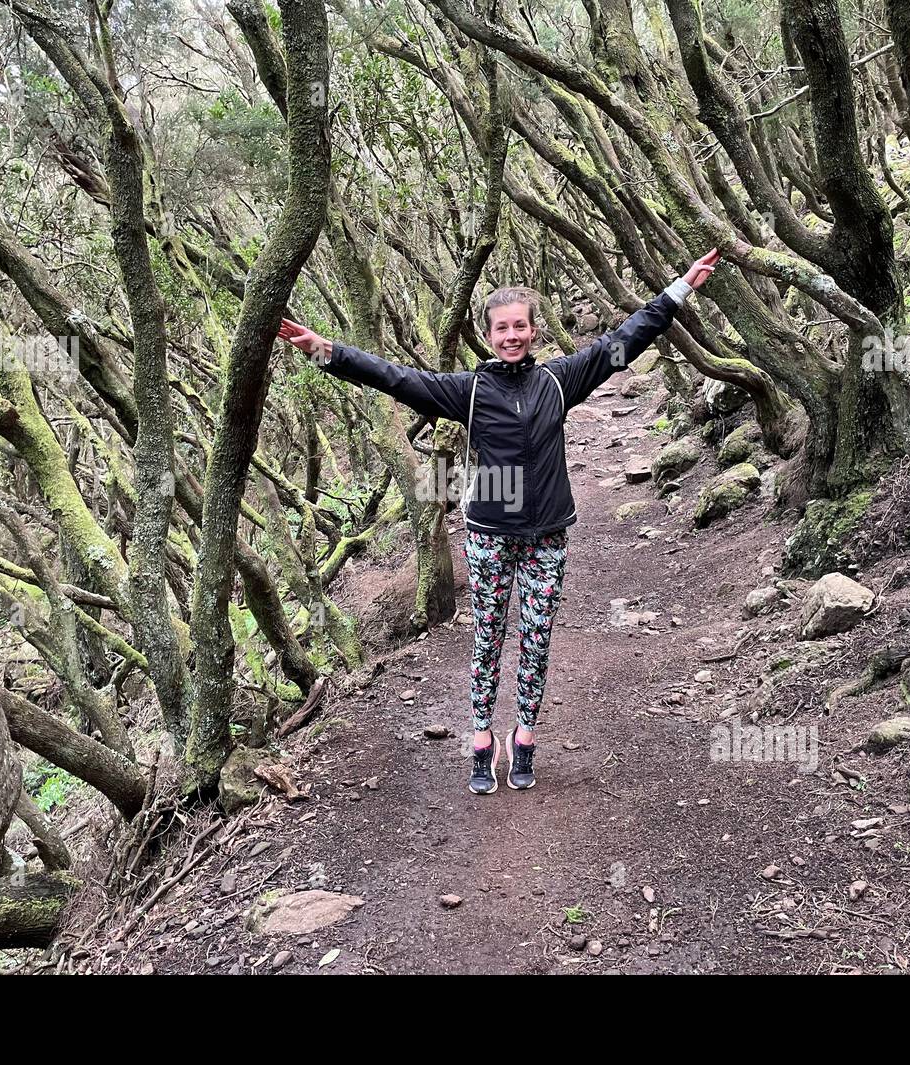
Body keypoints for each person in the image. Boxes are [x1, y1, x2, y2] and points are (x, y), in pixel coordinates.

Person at [279, 249, 721, 795]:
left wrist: (679, 289)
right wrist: (325, 351)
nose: (512, 335)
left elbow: (623, 343)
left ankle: (525, 736)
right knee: (487, 638)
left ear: (534, 331)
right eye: (502, 328)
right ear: (489, 335)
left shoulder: (560, 382)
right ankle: (483, 740)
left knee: (536, 640)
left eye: (521, 326)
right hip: (489, 536)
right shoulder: (468, 392)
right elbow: (394, 378)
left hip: (548, 535)